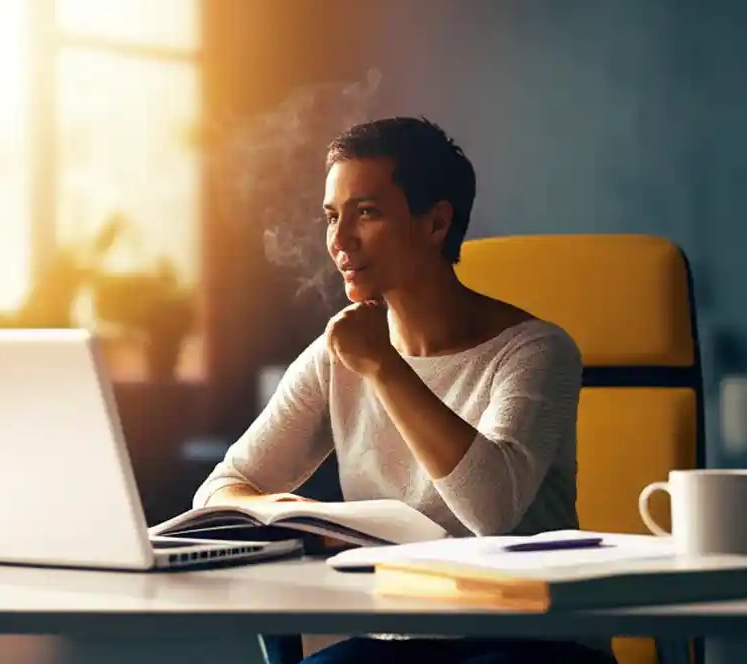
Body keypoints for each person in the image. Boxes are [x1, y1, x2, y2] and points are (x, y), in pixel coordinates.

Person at [194, 117, 614, 664]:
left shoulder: (536, 352)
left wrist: (385, 367)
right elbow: (219, 491)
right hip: (396, 636)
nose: (340, 240)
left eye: (365, 213)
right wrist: (288, 513)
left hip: (527, 637)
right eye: (331, 216)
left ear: (436, 223)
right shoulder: (337, 353)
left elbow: (489, 512)